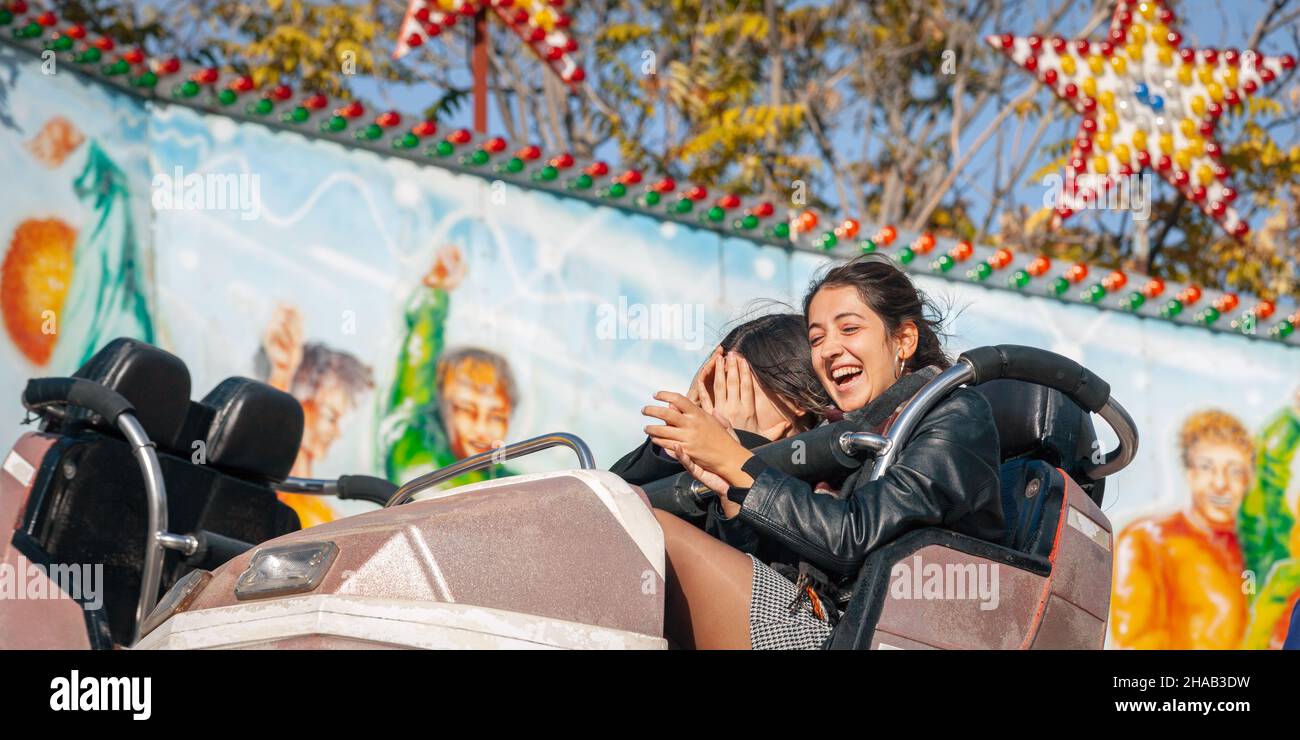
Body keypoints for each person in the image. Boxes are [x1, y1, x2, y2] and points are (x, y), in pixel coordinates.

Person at [640, 255, 1003, 649]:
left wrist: (737, 461)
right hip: (818, 617)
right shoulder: (838, 438)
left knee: (651, 534)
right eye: (816, 339)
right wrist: (729, 488)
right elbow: (766, 565)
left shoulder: (956, 416)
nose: (829, 349)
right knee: (624, 519)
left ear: (904, 340)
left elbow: (853, 537)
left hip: (865, 632)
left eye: (849, 329)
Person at [1110, 410, 1253, 649]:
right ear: (1190, 472)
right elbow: (1138, 640)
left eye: (1235, 470)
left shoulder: (1254, 552)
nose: (1220, 484)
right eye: (1207, 467)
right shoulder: (1146, 541)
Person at [379, 243, 519, 487]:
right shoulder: (411, 442)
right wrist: (435, 294)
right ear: (441, 407)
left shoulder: (512, 484)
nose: (481, 429)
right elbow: (418, 363)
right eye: (466, 410)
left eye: (496, 416)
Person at [257, 303, 375, 528]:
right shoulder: (280, 490)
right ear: (298, 402)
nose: (337, 433)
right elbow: (269, 440)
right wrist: (282, 374)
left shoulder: (320, 504)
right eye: (331, 417)